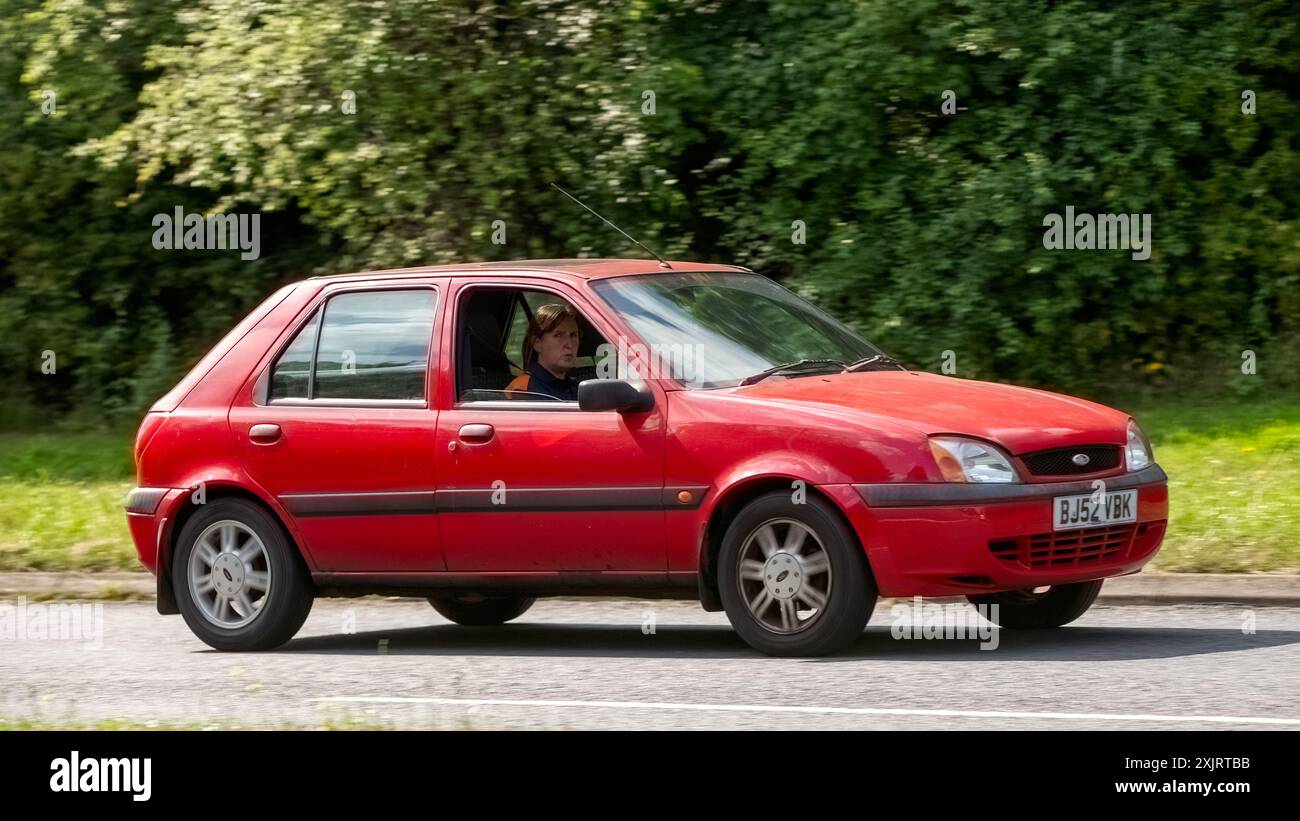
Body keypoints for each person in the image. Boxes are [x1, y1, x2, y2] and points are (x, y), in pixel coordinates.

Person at [505, 303, 582, 400]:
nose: (569, 344)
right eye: (558, 335)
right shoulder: (522, 390)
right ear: (537, 343)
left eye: (573, 335)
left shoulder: (577, 387)